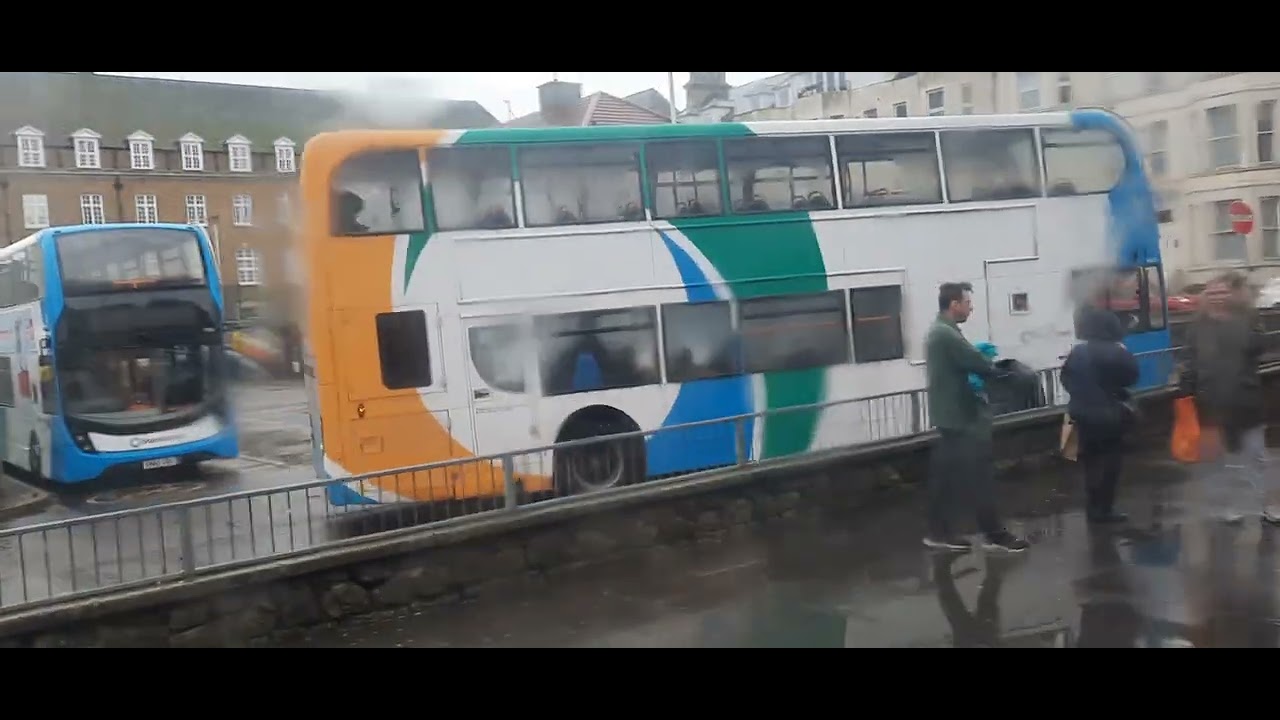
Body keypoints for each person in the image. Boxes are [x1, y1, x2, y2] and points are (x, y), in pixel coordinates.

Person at [923, 282, 1029, 553]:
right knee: (980, 477)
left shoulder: (939, 332)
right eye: (968, 303)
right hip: (963, 419)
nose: (971, 308)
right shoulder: (946, 335)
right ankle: (994, 535)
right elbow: (979, 364)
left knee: (946, 479)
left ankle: (938, 533)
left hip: (949, 417)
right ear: (954, 304)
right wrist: (1003, 369)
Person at [1180, 272, 1280, 524]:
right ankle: (1230, 506)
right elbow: (1190, 360)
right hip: (1211, 402)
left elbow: (1258, 346)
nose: (1216, 298)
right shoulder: (1198, 325)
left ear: (1232, 294)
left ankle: (1268, 505)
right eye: (1211, 293)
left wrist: (1232, 323)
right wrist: (1186, 393)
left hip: (1245, 400)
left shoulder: (1248, 317)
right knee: (1220, 460)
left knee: (1256, 456)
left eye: (1222, 292)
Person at [1061, 303, 1139, 523]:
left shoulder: (1078, 351)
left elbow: (1065, 378)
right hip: (1109, 415)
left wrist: (1082, 394)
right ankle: (1105, 509)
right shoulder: (1117, 351)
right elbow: (1132, 377)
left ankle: (1092, 507)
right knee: (1110, 462)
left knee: (1091, 462)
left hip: (1081, 414)